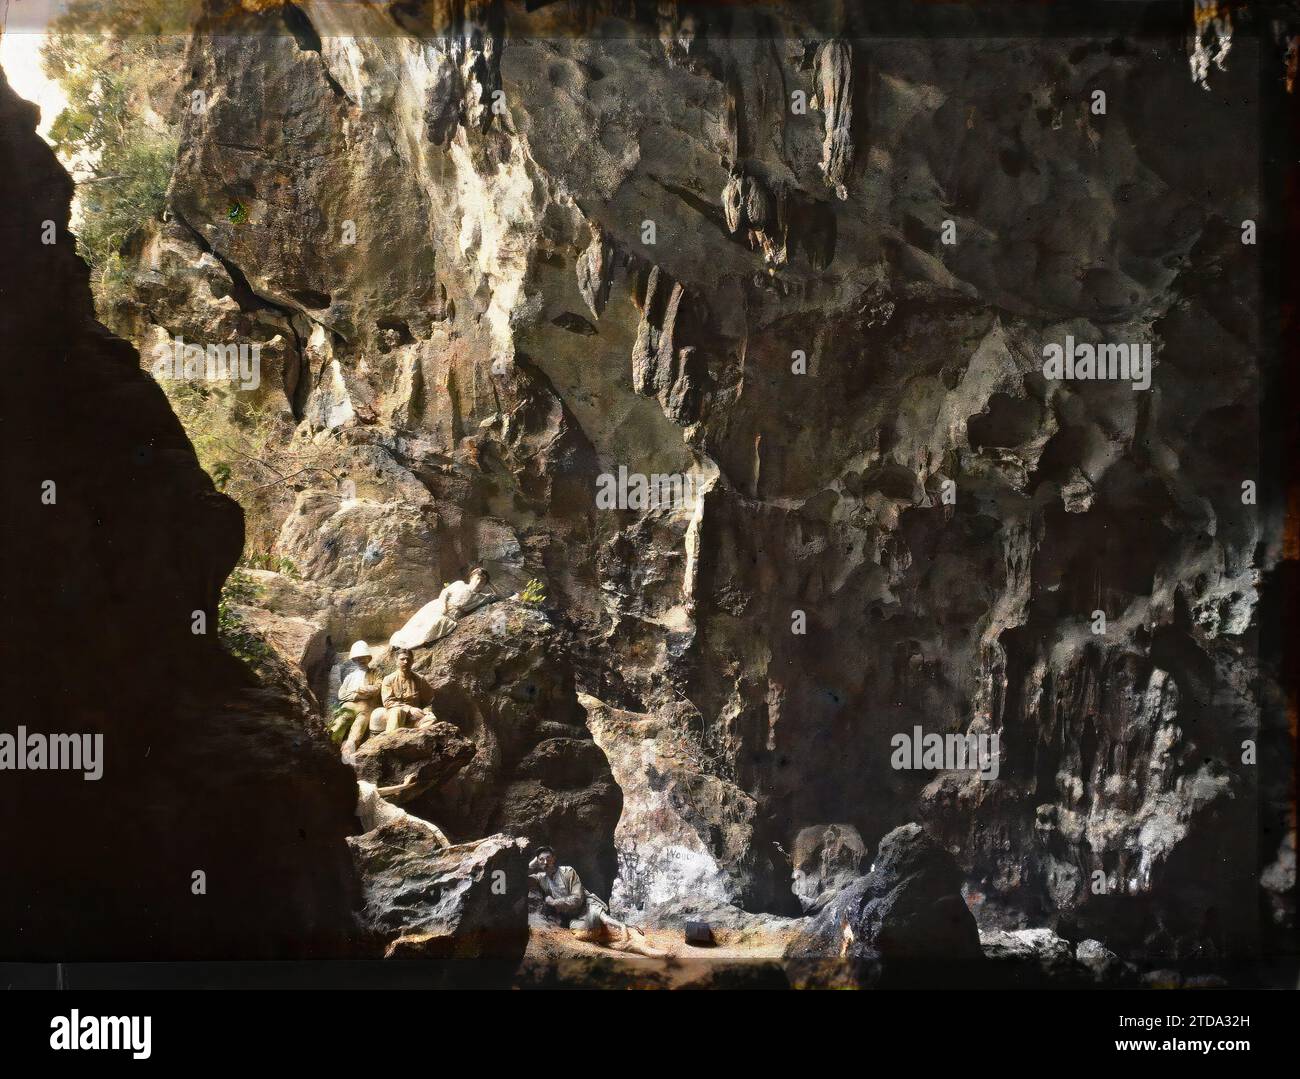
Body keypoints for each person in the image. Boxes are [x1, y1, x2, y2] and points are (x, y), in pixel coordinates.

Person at [528, 846, 665, 957]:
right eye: (541, 860)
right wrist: (533, 863)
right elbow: (521, 876)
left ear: (554, 858)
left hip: (586, 907)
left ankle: (630, 935)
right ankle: (628, 944)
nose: (545, 863)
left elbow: (577, 899)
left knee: (603, 921)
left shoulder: (567, 872)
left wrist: (554, 902)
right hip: (574, 918)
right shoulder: (542, 878)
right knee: (585, 933)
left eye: (548, 858)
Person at [389, 567, 497, 650]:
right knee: (417, 625)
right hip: (439, 606)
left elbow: (498, 596)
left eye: (482, 582)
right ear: (471, 578)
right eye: (477, 578)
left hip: (450, 617)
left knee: (431, 628)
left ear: (484, 585)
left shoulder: (481, 597)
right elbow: (445, 593)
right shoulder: (460, 584)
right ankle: (399, 642)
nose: (478, 582)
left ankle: (407, 647)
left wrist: (491, 585)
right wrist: (443, 606)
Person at [333, 640, 382, 747]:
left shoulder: (375, 672)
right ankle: (330, 745)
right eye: (357, 658)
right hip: (349, 705)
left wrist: (362, 689)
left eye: (363, 657)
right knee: (339, 723)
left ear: (369, 658)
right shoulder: (349, 677)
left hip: (366, 707)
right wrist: (357, 695)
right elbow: (342, 694)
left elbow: (377, 688)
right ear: (354, 660)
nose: (360, 660)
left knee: (358, 728)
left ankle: (349, 749)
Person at [376, 648, 436, 733]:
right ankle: (391, 739)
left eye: (408, 659)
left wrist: (426, 711)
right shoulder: (389, 679)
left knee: (431, 718)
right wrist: (409, 709)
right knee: (397, 711)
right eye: (402, 659)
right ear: (396, 661)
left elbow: (429, 701)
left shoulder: (420, 679)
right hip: (395, 716)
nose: (405, 662)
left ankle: (413, 736)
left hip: (414, 717)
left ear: (412, 661)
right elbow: (388, 702)